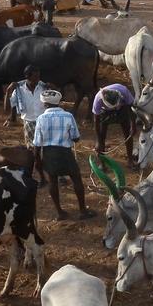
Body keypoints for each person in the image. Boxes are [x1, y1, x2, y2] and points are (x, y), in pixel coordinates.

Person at [32, 89, 94, 220]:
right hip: (65, 152)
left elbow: (37, 143)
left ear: (45, 104)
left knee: (53, 181)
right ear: (58, 102)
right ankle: (83, 211)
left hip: (49, 153)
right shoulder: (68, 116)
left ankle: (60, 212)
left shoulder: (41, 118)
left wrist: (37, 159)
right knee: (76, 178)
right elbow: (76, 137)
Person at [92, 83, 135, 165]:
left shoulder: (124, 91)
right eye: (113, 107)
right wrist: (98, 140)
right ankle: (103, 164)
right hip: (105, 113)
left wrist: (133, 125)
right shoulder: (98, 100)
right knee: (101, 137)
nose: (115, 108)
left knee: (128, 133)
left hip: (122, 109)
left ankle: (130, 160)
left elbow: (131, 109)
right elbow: (96, 121)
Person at [4, 64, 44, 146]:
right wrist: (8, 91)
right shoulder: (19, 90)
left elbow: (54, 104)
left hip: (43, 122)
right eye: (35, 77)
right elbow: (7, 109)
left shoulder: (43, 87)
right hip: (28, 123)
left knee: (44, 147)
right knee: (32, 148)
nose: (38, 80)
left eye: (38, 77)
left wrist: (54, 90)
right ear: (27, 77)